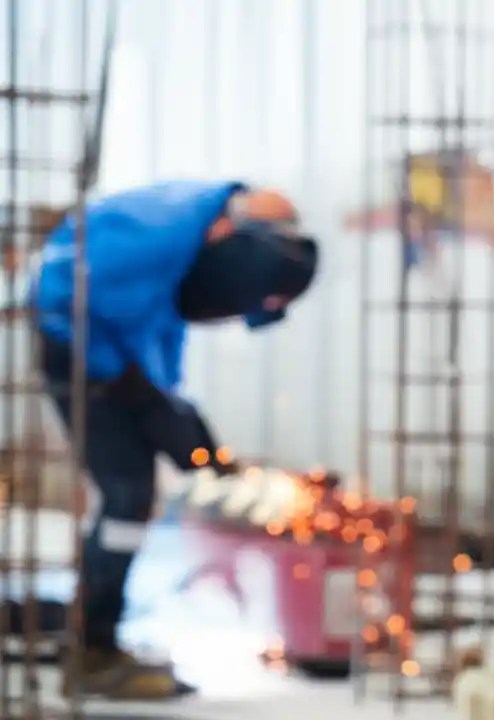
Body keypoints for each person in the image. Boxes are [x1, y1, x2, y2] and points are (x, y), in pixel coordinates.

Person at [29, 180, 319, 700]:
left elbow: (161, 327)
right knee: (126, 497)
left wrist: (173, 411)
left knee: (135, 499)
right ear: (229, 237)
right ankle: (90, 653)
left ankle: (96, 640)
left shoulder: (191, 243)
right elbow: (56, 295)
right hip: (75, 355)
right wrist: (126, 382)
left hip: (116, 362)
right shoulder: (155, 236)